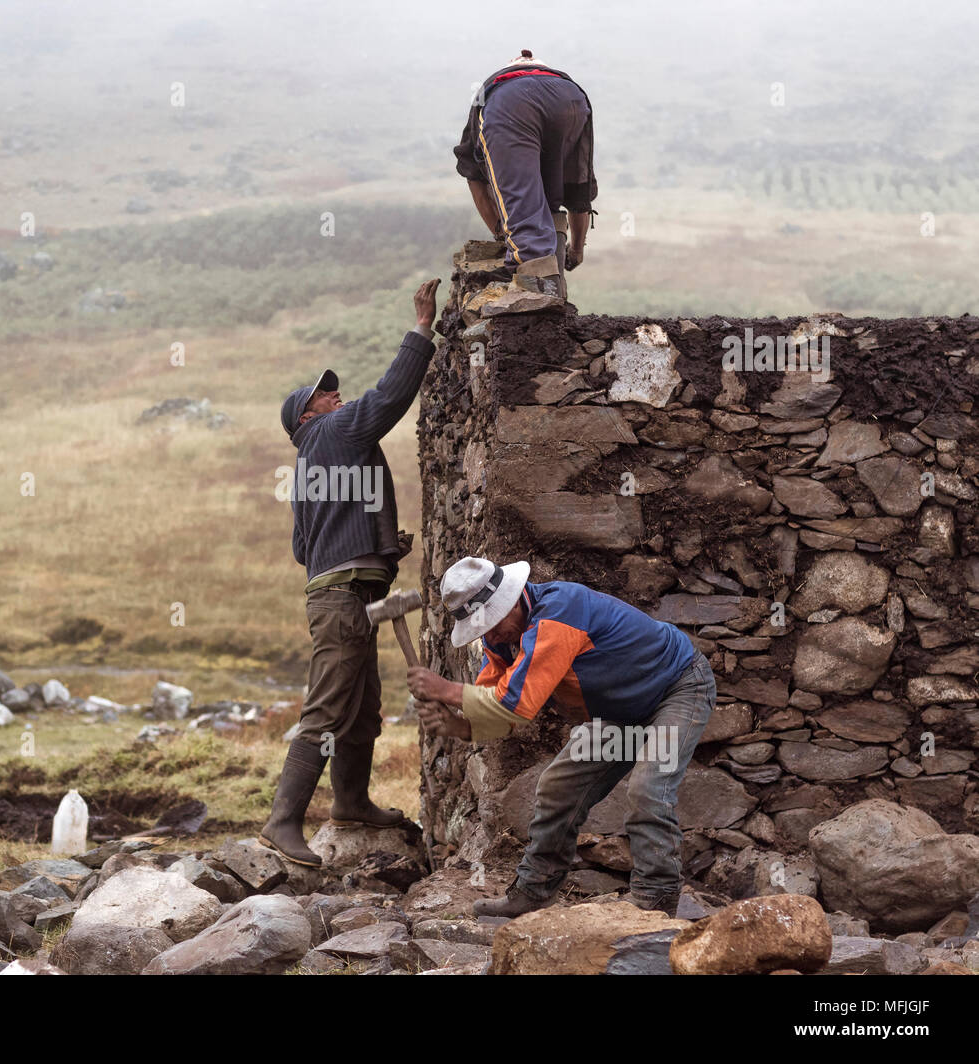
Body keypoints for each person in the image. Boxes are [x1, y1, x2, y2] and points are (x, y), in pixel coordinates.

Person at [406, 556, 716, 917]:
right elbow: (500, 713)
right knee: (558, 786)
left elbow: (514, 703)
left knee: (648, 789)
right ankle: (534, 891)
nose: (490, 636)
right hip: (622, 714)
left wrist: (445, 690)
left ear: (513, 599)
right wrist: (456, 725)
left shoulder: (558, 613)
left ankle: (656, 898)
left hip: (677, 688)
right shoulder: (502, 641)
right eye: (482, 631)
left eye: (492, 624)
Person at [259, 278, 441, 867]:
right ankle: (282, 822)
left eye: (333, 393)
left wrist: (374, 541)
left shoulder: (309, 466)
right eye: (324, 395)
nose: (336, 397)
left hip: (340, 594)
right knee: (330, 705)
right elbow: (390, 397)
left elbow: (301, 547)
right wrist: (421, 330)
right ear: (306, 418)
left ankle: (352, 801)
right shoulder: (335, 431)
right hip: (343, 602)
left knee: (362, 705)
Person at [453, 49, 597, 306]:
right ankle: (554, 283)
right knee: (552, 193)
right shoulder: (560, 83)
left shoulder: (494, 93)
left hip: (511, 102)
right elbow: (579, 185)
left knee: (520, 196)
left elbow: (473, 175)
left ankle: (535, 301)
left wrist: (501, 232)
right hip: (572, 99)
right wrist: (576, 250)